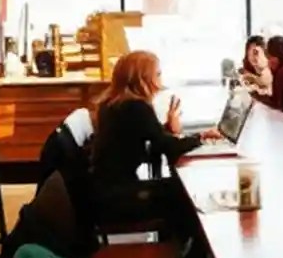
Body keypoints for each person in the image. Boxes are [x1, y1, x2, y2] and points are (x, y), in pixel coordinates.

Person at [90, 52, 219, 217]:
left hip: (105, 189)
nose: (160, 80)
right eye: (157, 74)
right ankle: (185, 242)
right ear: (142, 78)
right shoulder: (135, 107)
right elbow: (168, 147)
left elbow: (147, 136)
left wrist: (168, 128)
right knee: (185, 198)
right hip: (117, 196)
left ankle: (184, 241)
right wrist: (202, 137)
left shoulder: (115, 103)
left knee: (176, 190)